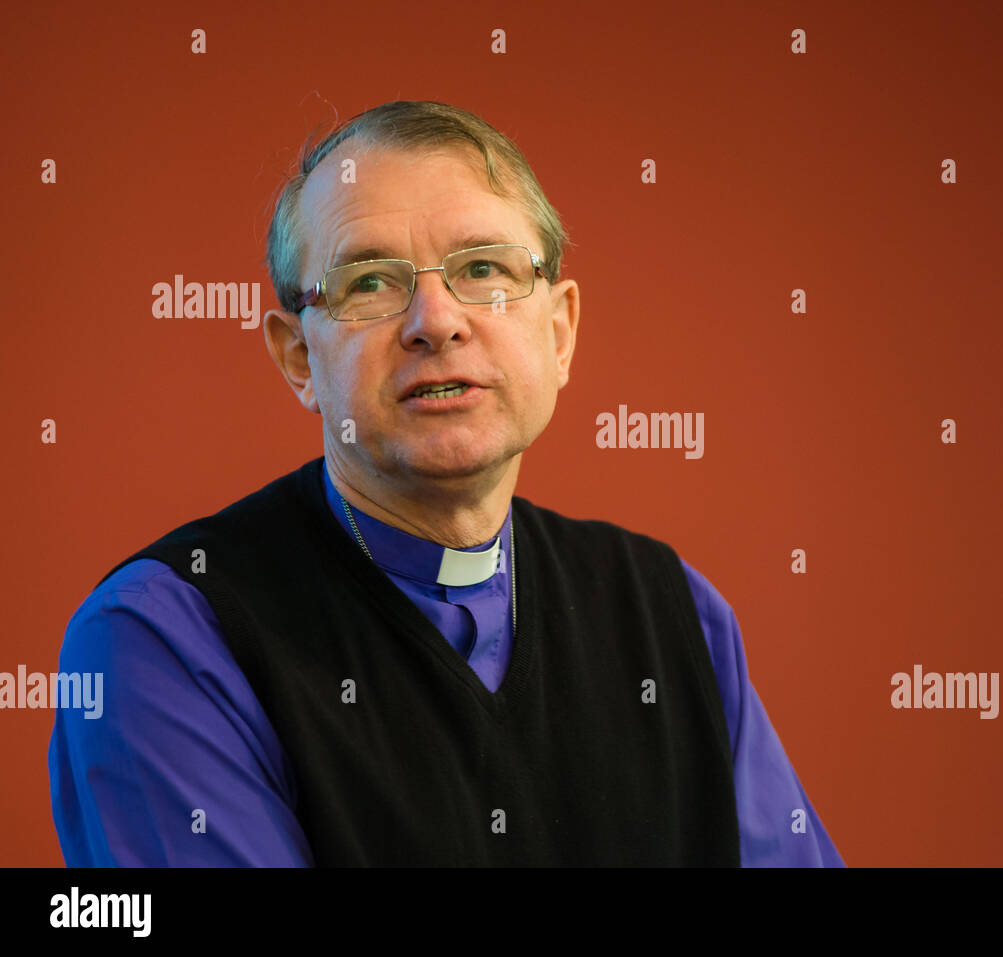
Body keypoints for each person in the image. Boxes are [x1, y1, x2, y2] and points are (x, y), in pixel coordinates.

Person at [48, 100, 842, 867]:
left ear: (559, 332)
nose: (436, 319)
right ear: (299, 357)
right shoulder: (165, 638)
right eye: (370, 282)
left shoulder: (677, 615)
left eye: (484, 269)